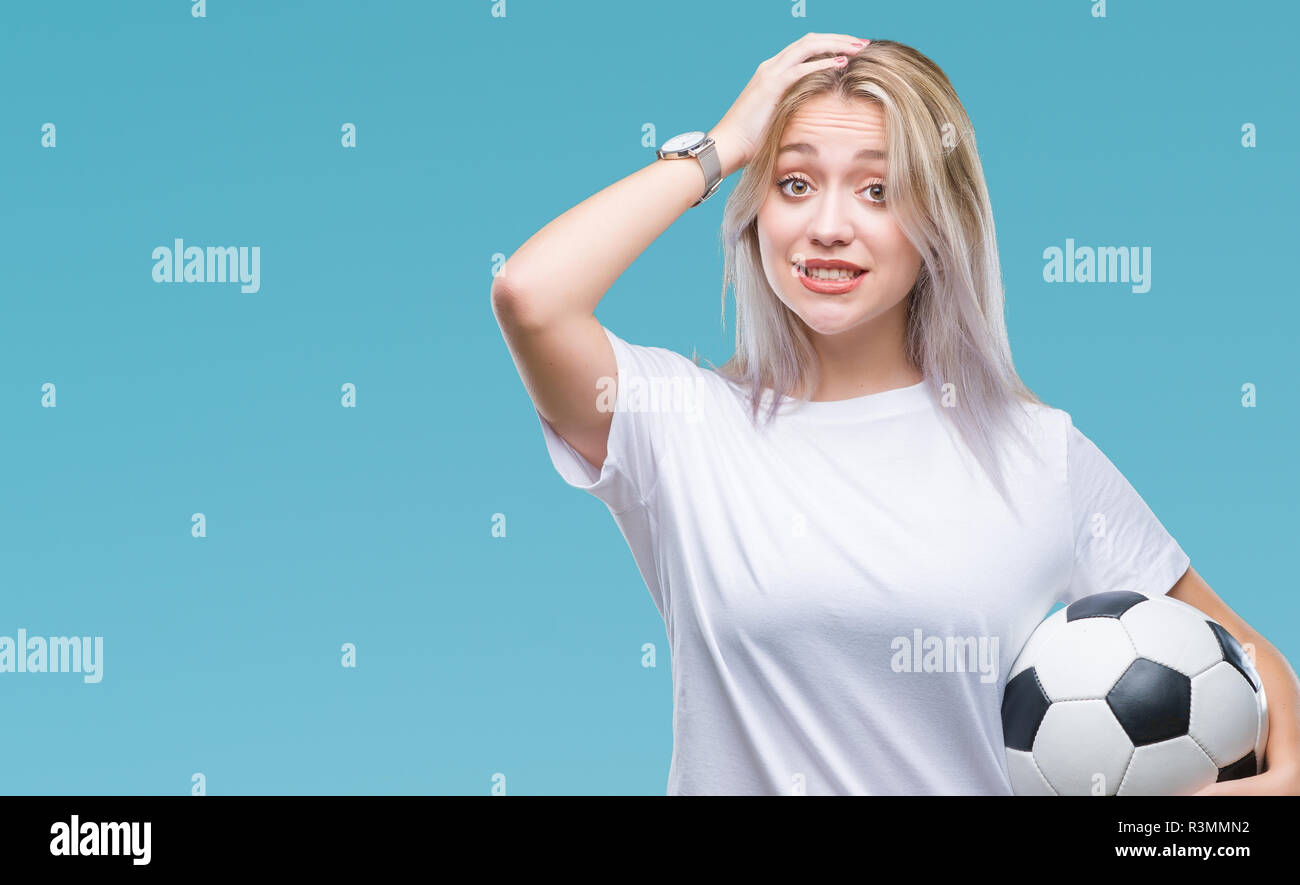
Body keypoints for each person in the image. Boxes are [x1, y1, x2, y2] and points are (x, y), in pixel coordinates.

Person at [488, 35, 1271, 795]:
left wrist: (1289, 774)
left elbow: (1237, 654)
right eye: (794, 183)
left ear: (938, 223)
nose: (830, 225)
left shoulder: (1038, 453)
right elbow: (532, 296)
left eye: (878, 190)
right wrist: (723, 146)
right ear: (756, 210)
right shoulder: (679, 423)